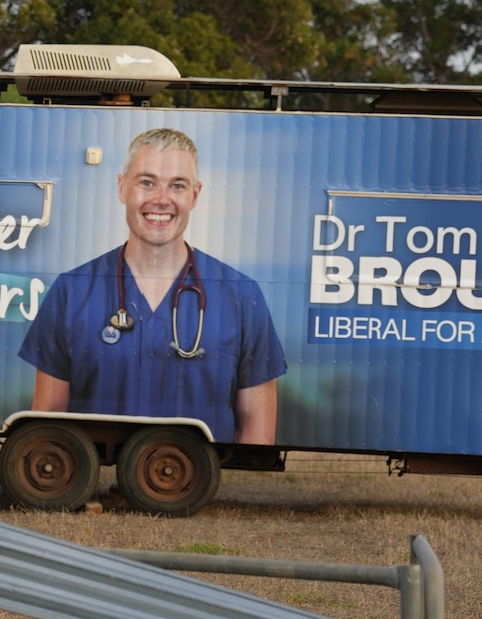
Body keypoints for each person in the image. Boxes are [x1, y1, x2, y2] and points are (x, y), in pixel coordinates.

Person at [18, 128, 285, 444]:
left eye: (177, 185)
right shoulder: (71, 292)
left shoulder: (241, 297)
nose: (161, 199)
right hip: (91, 491)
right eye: (147, 182)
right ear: (122, 188)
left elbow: (257, 428)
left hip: (204, 489)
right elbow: (47, 423)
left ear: (195, 195)